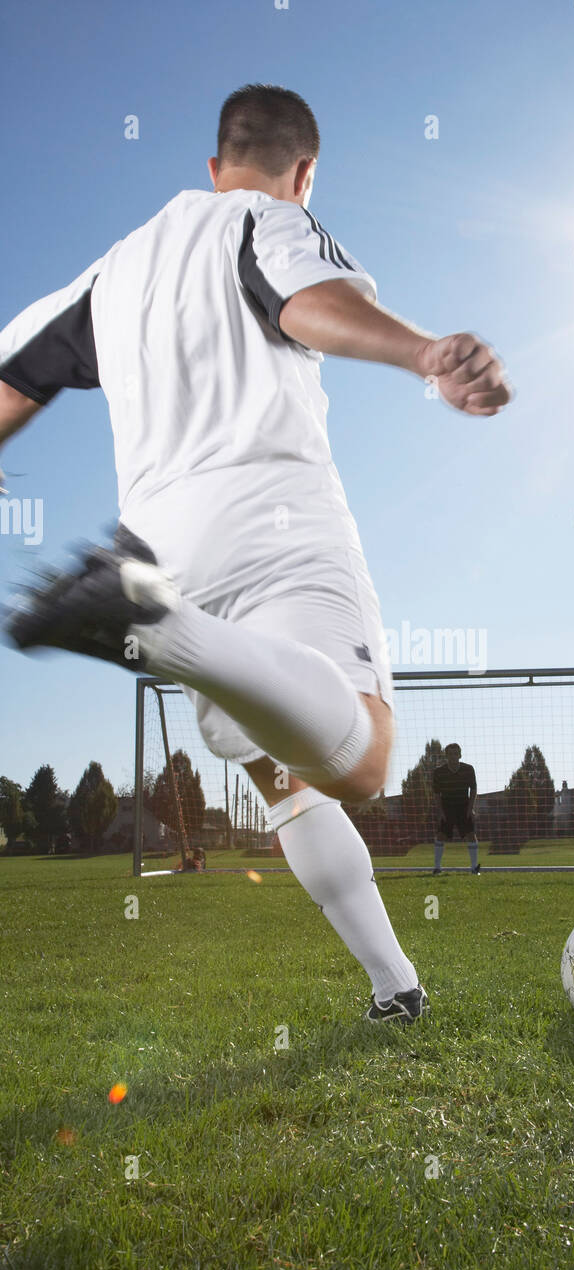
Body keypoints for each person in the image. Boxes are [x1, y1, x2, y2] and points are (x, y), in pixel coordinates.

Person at [0, 84, 512, 1023]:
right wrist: (423, 354)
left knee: (280, 776)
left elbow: (12, 379)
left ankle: (396, 988)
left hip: (159, 540)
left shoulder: (113, 271)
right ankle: (159, 627)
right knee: (359, 761)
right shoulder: (271, 219)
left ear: (212, 159)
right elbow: (305, 302)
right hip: (276, 524)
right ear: (304, 171)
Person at [432, 743, 480, 875]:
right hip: (447, 805)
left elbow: (474, 790)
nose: (453, 756)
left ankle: (474, 868)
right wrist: (441, 811)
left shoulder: (468, 769)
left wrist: (470, 809)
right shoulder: (439, 772)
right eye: (450, 754)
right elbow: (436, 794)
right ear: (446, 756)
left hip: (464, 805)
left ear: (460, 755)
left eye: (455, 753)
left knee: (471, 835)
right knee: (441, 835)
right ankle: (437, 867)